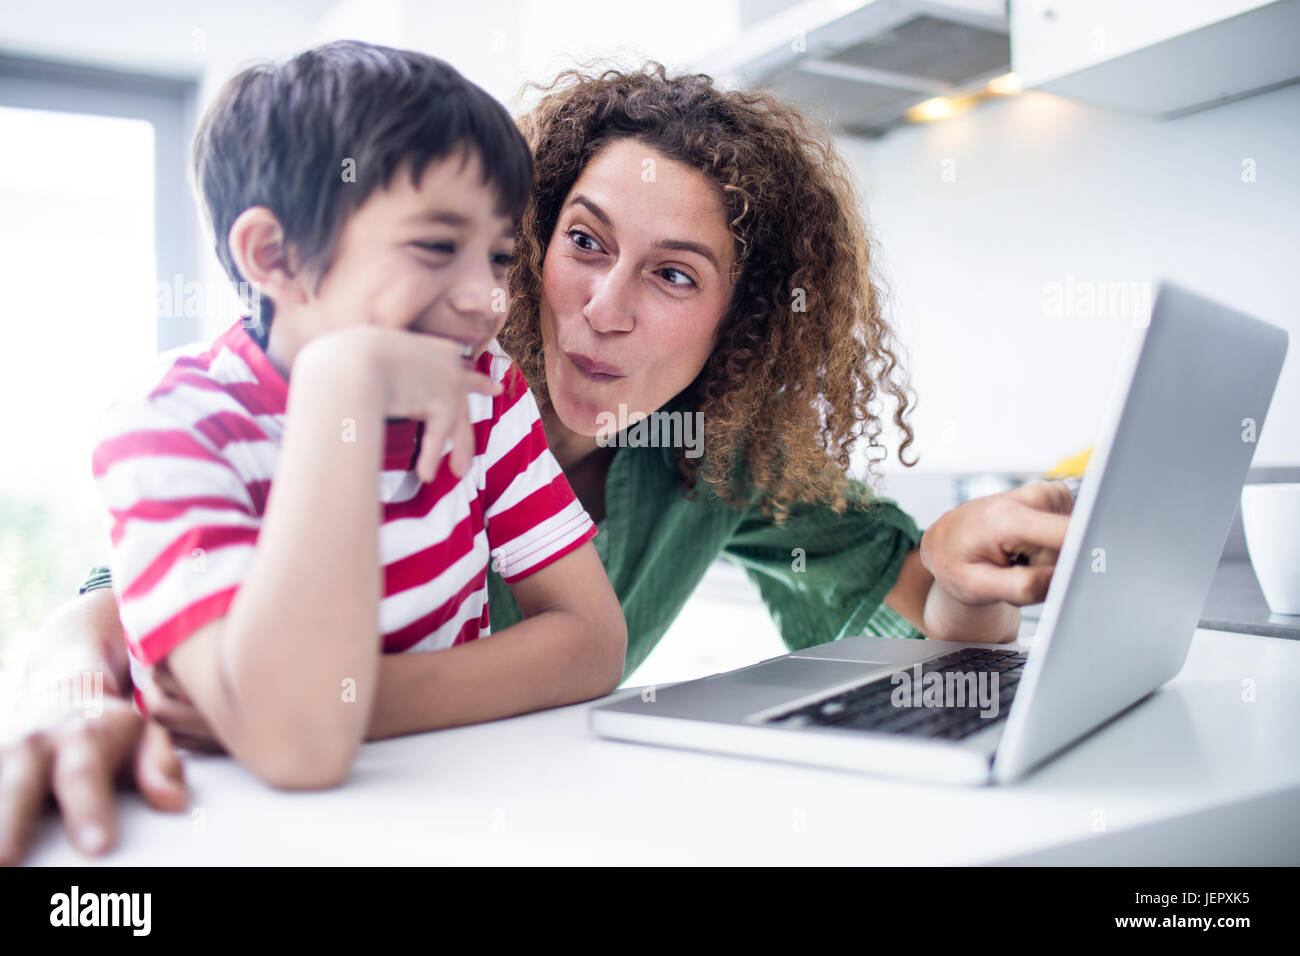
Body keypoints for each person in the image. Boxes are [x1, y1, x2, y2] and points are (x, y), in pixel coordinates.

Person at [0, 60, 1072, 864]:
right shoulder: (417, 379)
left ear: (736, 326)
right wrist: (70, 683)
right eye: (585, 243)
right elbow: (122, 591)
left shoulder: (707, 449)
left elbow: (919, 600)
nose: (600, 312)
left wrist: (974, 571)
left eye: (673, 276)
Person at [16, 39, 627, 801]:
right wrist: (342, 385)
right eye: (437, 246)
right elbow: (299, 748)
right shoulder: (169, 428)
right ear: (274, 255)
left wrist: (346, 699)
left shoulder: (483, 390)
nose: (487, 299)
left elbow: (594, 642)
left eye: (499, 258)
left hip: (429, 803)